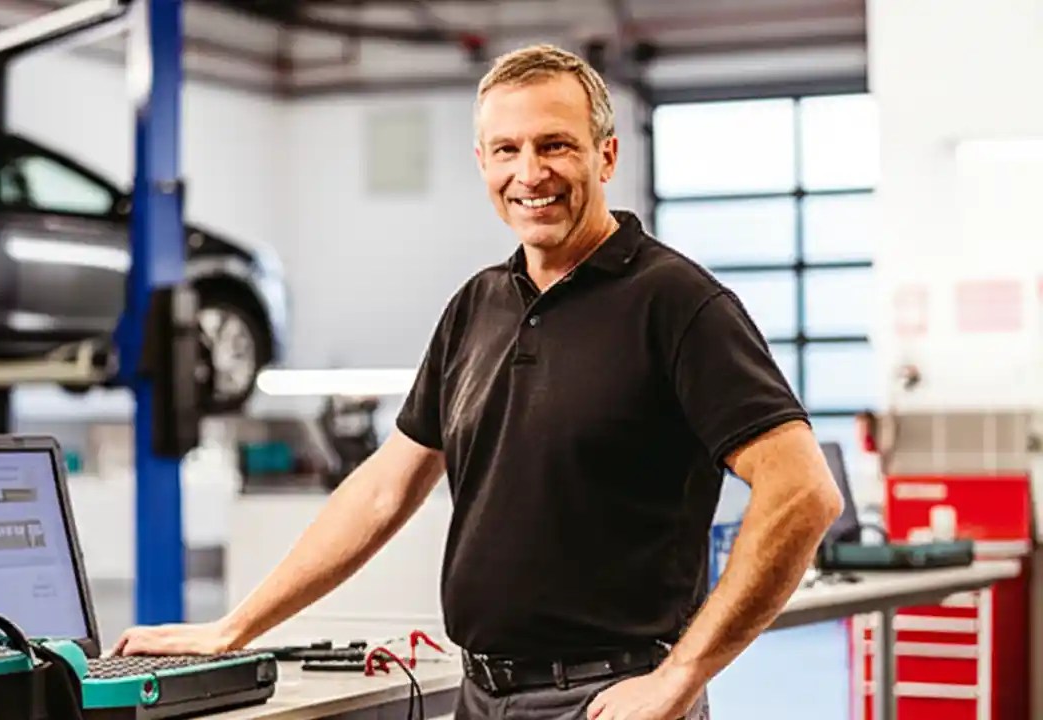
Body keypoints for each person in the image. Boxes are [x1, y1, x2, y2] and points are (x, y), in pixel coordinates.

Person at [112, 43, 844, 720]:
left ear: (607, 155)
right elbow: (383, 489)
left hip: (609, 699)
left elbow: (802, 492)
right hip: (481, 695)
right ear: (483, 162)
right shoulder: (476, 306)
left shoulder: (676, 303)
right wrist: (236, 627)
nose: (530, 173)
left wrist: (680, 678)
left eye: (556, 144)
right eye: (507, 150)